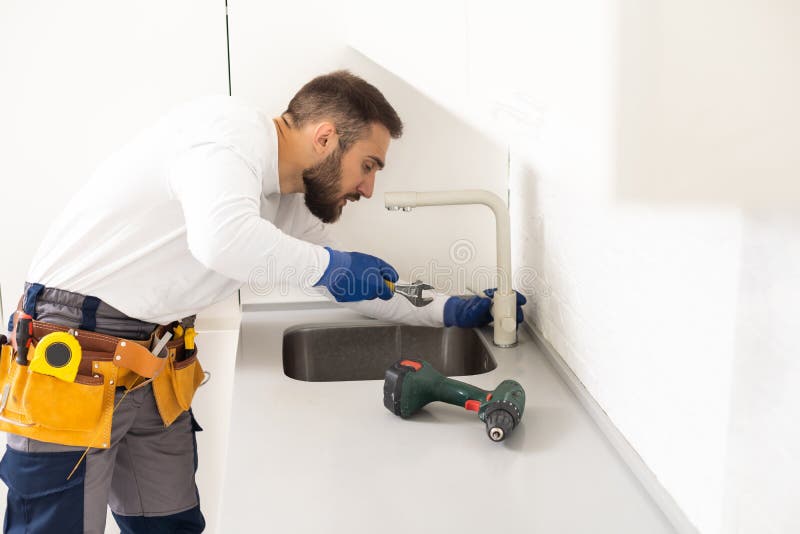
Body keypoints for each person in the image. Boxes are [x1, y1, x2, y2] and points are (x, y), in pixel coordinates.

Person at [0, 71, 525, 533]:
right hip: (73, 350)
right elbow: (223, 241)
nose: (367, 188)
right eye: (368, 165)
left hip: (150, 360)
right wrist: (335, 268)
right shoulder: (227, 134)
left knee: (169, 525)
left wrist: (448, 309)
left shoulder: (289, 202)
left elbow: (348, 282)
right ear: (325, 138)